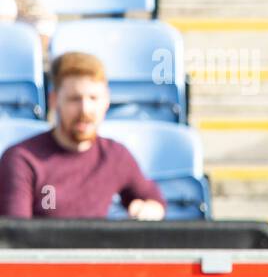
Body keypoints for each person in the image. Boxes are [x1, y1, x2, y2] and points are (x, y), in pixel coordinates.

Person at [0, 52, 165, 219]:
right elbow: (16, 234)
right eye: (74, 99)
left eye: (93, 98)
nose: (85, 110)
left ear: (106, 101)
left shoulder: (115, 156)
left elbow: (154, 202)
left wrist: (147, 209)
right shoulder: (22, 159)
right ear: (54, 101)